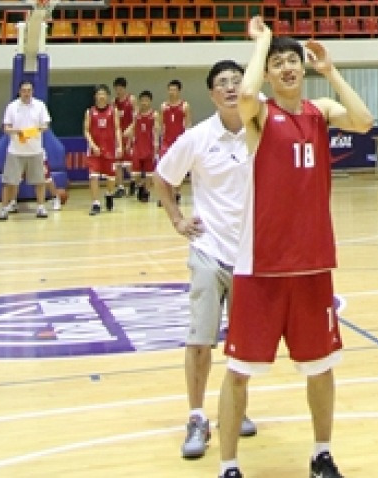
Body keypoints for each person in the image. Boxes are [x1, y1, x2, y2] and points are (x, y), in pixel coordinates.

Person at [217, 17, 373, 478]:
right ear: (268, 73)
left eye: (292, 61)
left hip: (312, 264)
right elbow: (244, 97)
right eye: (277, 63)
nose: (287, 68)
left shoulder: (320, 110)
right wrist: (262, 42)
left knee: (321, 366)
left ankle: (322, 453)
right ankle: (228, 465)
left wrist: (332, 72)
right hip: (260, 266)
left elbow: (364, 120)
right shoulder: (261, 114)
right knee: (239, 370)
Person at [156, 61, 259, 459]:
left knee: (244, 346)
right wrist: (178, 219)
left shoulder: (262, 130)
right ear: (213, 95)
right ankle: (197, 415)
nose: (232, 87)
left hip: (251, 257)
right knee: (201, 341)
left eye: (237, 81)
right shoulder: (197, 138)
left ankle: (236, 409)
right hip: (208, 252)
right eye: (223, 84)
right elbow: (162, 179)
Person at [0, 80, 52, 220]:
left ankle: (40, 207)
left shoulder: (40, 106)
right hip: (15, 151)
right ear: (19, 91)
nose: (26, 93)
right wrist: (19, 132)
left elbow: (45, 125)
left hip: (35, 151)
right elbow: (6, 128)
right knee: (9, 181)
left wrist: (33, 131)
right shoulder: (12, 107)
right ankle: (4, 208)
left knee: (40, 181)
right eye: (24, 90)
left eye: (29, 90)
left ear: (32, 91)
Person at [83, 84, 122, 215]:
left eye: (103, 94)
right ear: (95, 96)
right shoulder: (90, 112)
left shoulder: (113, 111)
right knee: (93, 176)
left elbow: (117, 128)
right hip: (95, 150)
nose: (101, 96)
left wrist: (120, 145)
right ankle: (96, 203)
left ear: (107, 96)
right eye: (99, 94)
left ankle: (109, 194)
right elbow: (86, 131)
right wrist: (93, 145)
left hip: (110, 149)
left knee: (111, 178)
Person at [160, 79, 192, 206]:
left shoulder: (185, 106)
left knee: (178, 168)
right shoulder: (164, 106)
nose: (171, 92)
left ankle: (176, 193)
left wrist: (186, 141)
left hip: (179, 142)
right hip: (166, 142)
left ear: (179, 91)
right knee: (164, 168)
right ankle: (167, 196)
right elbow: (161, 124)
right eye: (170, 90)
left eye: (174, 90)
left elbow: (188, 124)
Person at [131, 91, 159, 202]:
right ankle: (141, 185)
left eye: (146, 101)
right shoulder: (136, 115)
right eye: (142, 100)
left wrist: (156, 146)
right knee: (135, 174)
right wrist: (129, 143)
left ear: (150, 102)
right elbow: (133, 128)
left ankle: (146, 192)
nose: (144, 103)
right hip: (138, 146)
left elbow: (156, 130)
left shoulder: (154, 115)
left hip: (149, 146)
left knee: (149, 173)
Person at [112, 76, 135, 197]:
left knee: (128, 163)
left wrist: (131, 130)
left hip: (129, 135)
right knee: (117, 163)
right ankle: (120, 187)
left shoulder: (131, 100)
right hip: (118, 135)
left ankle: (134, 182)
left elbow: (137, 117)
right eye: (117, 88)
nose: (118, 90)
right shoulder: (114, 102)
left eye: (120, 88)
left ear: (124, 88)